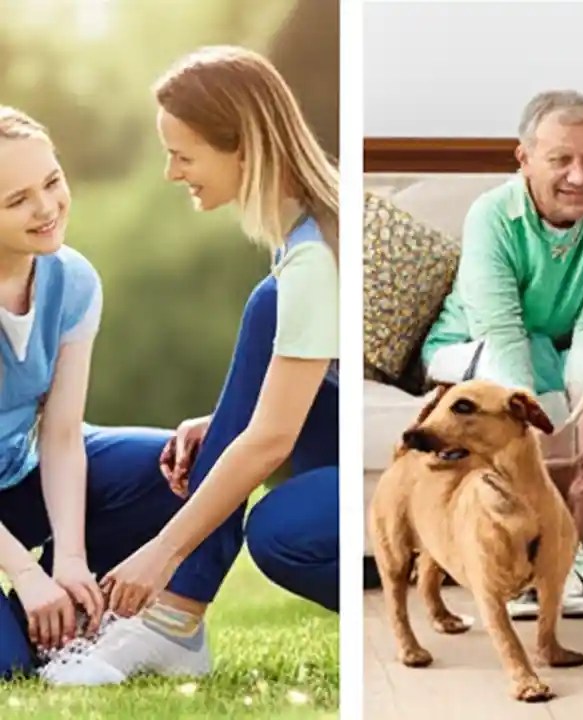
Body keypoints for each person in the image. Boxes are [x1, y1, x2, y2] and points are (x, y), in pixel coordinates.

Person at [40, 45, 339, 685]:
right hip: (340, 441)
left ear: (245, 149)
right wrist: (231, 420)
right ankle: (176, 623)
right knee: (266, 315)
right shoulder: (302, 243)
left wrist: (160, 555)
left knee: (282, 529)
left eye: (183, 154)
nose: (173, 173)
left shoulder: (314, 261)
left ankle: (173, 614)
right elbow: (291, 409)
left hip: (400, 477)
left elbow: (272, 442)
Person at [422, 90, 583, 619]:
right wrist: (541, 425)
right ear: (524, 159)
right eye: (561, 159)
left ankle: (567, 556)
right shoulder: (492, 215)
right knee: (545, 395)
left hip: (553, 350)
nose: (580, 176)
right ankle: (518, 564)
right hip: (470, 348)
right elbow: (502, 333)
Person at [0, 107, 187, 680]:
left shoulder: (72, 279)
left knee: (179, 469)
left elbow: (59, 434)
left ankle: (77, 623)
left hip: (18, 475)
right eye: (17, 200)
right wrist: (27, 576)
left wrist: (70, 563)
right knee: (8, 668)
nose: (48, 208)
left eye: (53, 182)